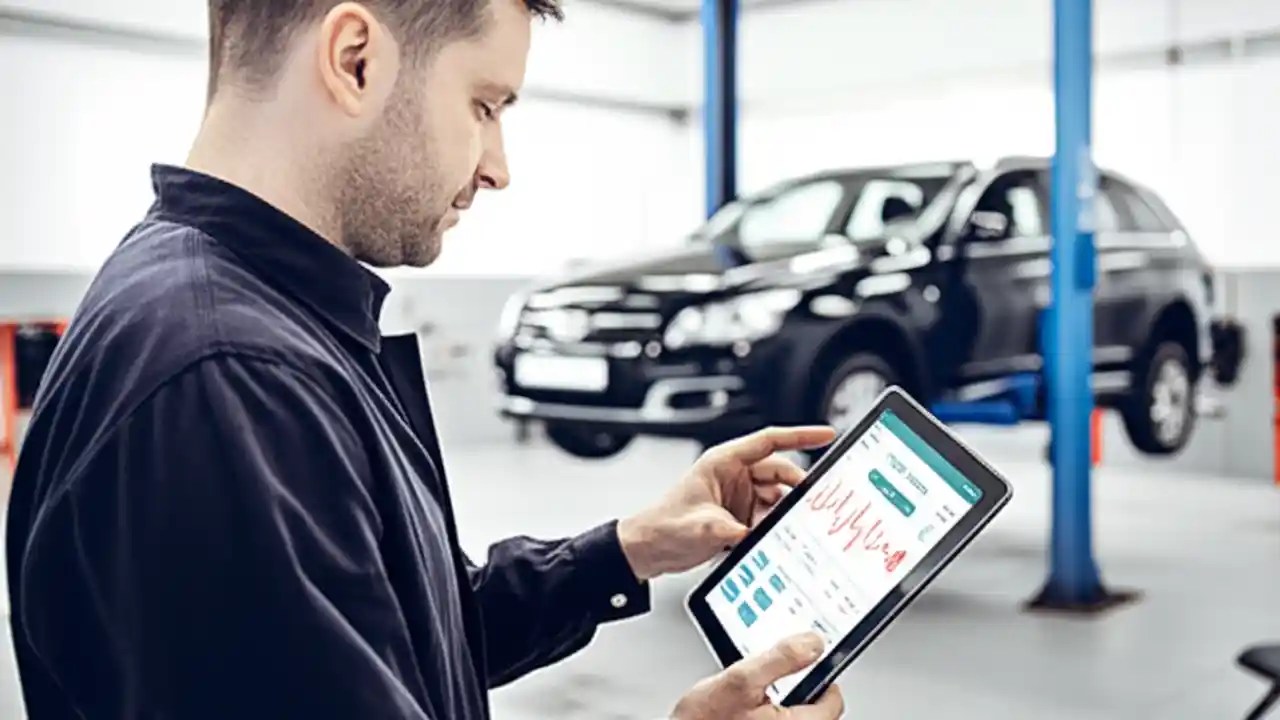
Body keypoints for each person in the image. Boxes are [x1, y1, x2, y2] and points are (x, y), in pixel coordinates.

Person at [4, 1, 849, 719]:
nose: (497, 168)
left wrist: (623, 550)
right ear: (355, 59)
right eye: (485, 104)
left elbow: (396, 636)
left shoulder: (243, 313)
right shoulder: (231, 379)